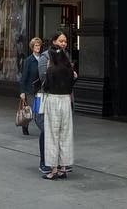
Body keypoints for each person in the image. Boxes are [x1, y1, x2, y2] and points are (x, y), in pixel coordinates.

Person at [35, 30, 75, 175]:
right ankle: (46, 162)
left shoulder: (66, 56)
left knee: (63, 132)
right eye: (61, 41)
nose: (63, 44)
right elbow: (43, 78)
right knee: (47, 131)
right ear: (54, 41)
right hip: (48, 97)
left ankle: (61, 164)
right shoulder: (45, 57)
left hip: (64, 96)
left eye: (65, 41)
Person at [18, 36, 42, 136]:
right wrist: (22, 92)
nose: (38, 47)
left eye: (39, 45)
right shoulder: (28, 60)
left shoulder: (43, 59)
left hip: (40, 90)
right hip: (30, 90)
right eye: (36, 45)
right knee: (31, 111)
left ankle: (43, 130)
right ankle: (25, 125)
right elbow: (24, 77)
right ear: (32, 47)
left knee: (38, 111)